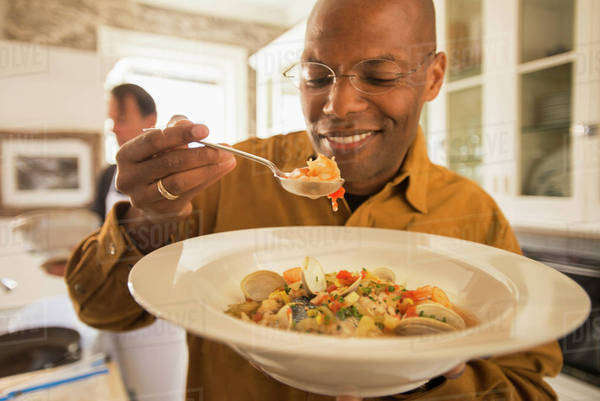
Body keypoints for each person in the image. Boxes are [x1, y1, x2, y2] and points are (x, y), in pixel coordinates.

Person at [66, 1, 562, 400]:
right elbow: (101, 311)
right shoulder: (229, 175)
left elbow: (529, 384)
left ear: (433, 78)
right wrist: (149, 215)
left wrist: (424, 380)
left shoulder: (474, 214)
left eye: (380, 76)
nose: (338, 106)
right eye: (318, 76)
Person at [91, 83, 157, 221]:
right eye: (112, 120)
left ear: (151, 121)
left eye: (121, 120)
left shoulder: (165, 175)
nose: (113, 129)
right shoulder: (107, 175)